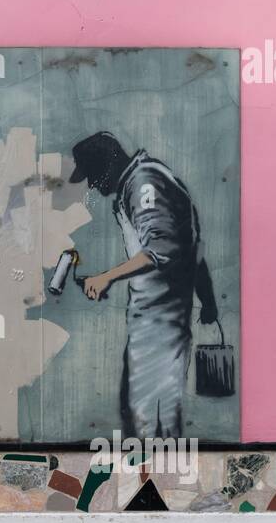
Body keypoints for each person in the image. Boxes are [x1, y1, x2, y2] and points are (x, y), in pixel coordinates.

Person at [67, 132, 218, 439]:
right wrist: (208, 300)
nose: (93, 185)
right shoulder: (143, 180)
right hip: (157, 320)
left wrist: (107, 276)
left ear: (109, 165)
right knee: (147, 417)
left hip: (159, 323)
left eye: (94, 175)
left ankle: (158, 482)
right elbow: (192, 248)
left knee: (150, 422)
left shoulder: (143, 183)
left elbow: (161, 248)